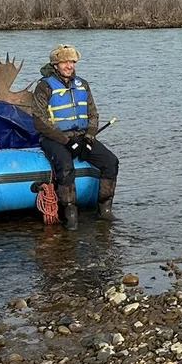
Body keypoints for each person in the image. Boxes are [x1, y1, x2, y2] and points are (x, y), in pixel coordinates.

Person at [30, 44, 119, 230]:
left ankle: (104, 210)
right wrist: (67, 142)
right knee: (66, 167)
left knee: (111, 161)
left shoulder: (82, 84)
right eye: (64, 62)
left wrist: (90, 136)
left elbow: (93, 114)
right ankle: (70, 215)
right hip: (55, 138)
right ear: (55, 65)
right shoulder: (44, 86)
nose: (69, 65)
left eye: (71, 61)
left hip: (81, 136)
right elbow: (40, 121)